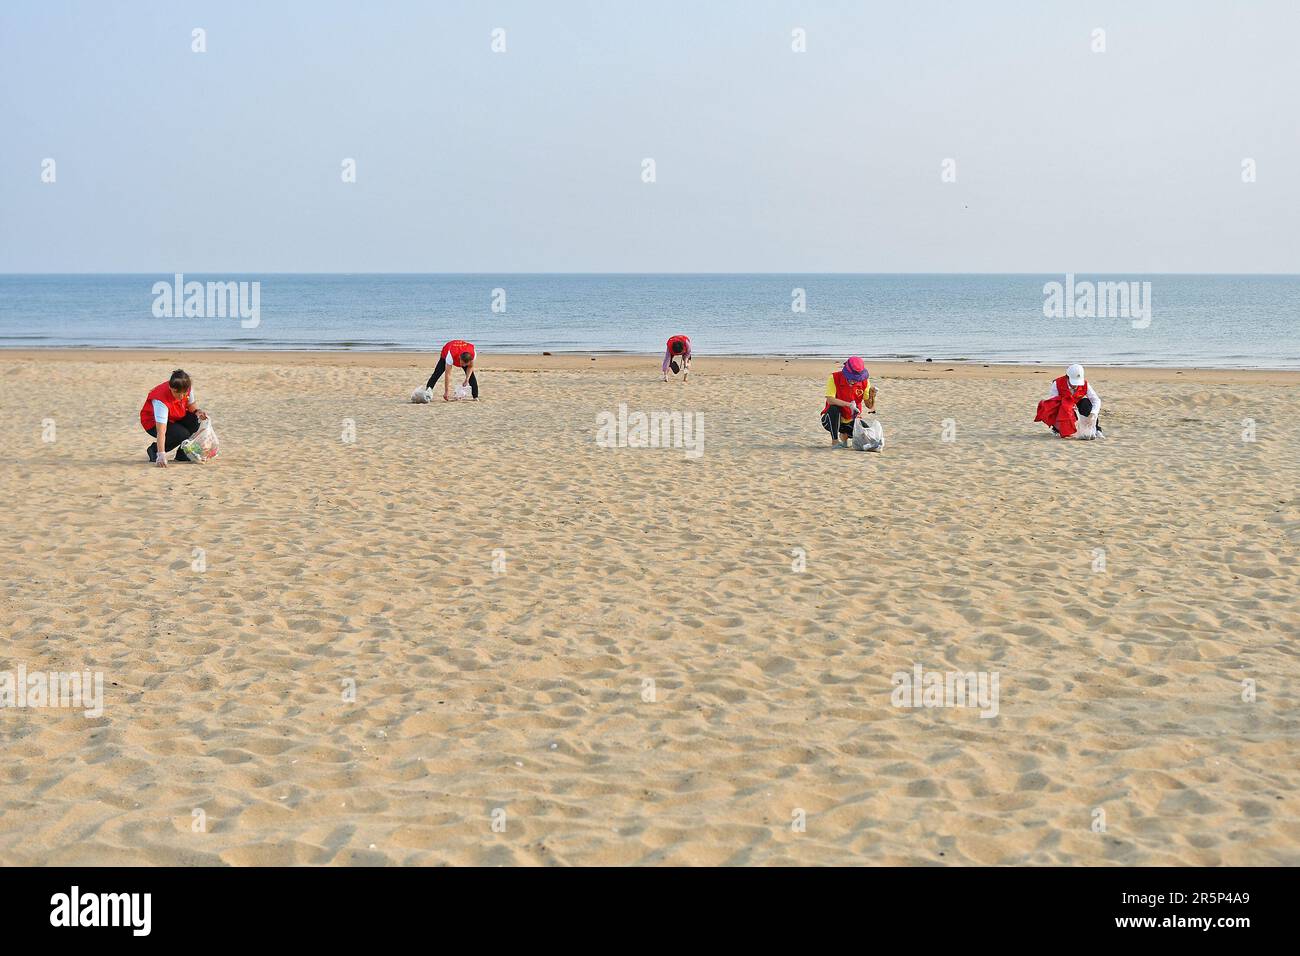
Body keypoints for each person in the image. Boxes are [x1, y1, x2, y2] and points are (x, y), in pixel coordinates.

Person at [140, 369, 207, 467]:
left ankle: (182, 454)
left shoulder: (186, 387)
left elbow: (191, 404)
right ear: (171, 388)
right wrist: (161, 454)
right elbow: (161, 431)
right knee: (181, 434)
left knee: (195, 420)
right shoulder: (160, 400)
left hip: (174, 415)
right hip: (152, 422)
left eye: (184, 393)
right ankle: (154, 450)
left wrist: (198, 411)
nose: (181, 396)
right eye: (177, 393)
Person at [1034, 363, 1103, 438]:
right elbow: (1053, 402)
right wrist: (1069, 406)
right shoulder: (1057, 383)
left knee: (1086, 403)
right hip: (1063, 405)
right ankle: (1057, 429)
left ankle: (1096, 429)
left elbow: (1096, 400)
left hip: (1077, 403)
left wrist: (1093, 413)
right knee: (1058, 406)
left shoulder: (1085, 384)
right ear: (1067, 377)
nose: (1075, 385)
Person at [821, 356, 875, 448]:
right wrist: (849, 405)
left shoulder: (865, 382)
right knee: (834, 408)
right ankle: (835, 441)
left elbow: (869, 406)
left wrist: (872, 396)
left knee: (868, 437)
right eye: (851, 378)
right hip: (831, 420)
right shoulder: (834, 378)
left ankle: (844, 436)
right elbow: (830, 400)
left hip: (851, 420)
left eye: (856, 378)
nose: (854, 381)